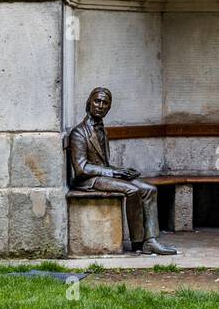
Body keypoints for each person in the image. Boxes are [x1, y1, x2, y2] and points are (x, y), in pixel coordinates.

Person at [68, 87, 177, 255]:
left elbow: (104, 163)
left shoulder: (103, 130)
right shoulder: (79, 132)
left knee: (149, 189)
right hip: (88, 180)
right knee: (132, 190)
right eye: (97, 101)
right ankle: (138, 240)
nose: (100, 106)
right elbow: (81, 168)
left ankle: (150, 240)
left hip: (104, 174)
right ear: (89, 102)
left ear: (109, 108)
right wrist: (114, 173)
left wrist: (121, 171)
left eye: (105, 103)